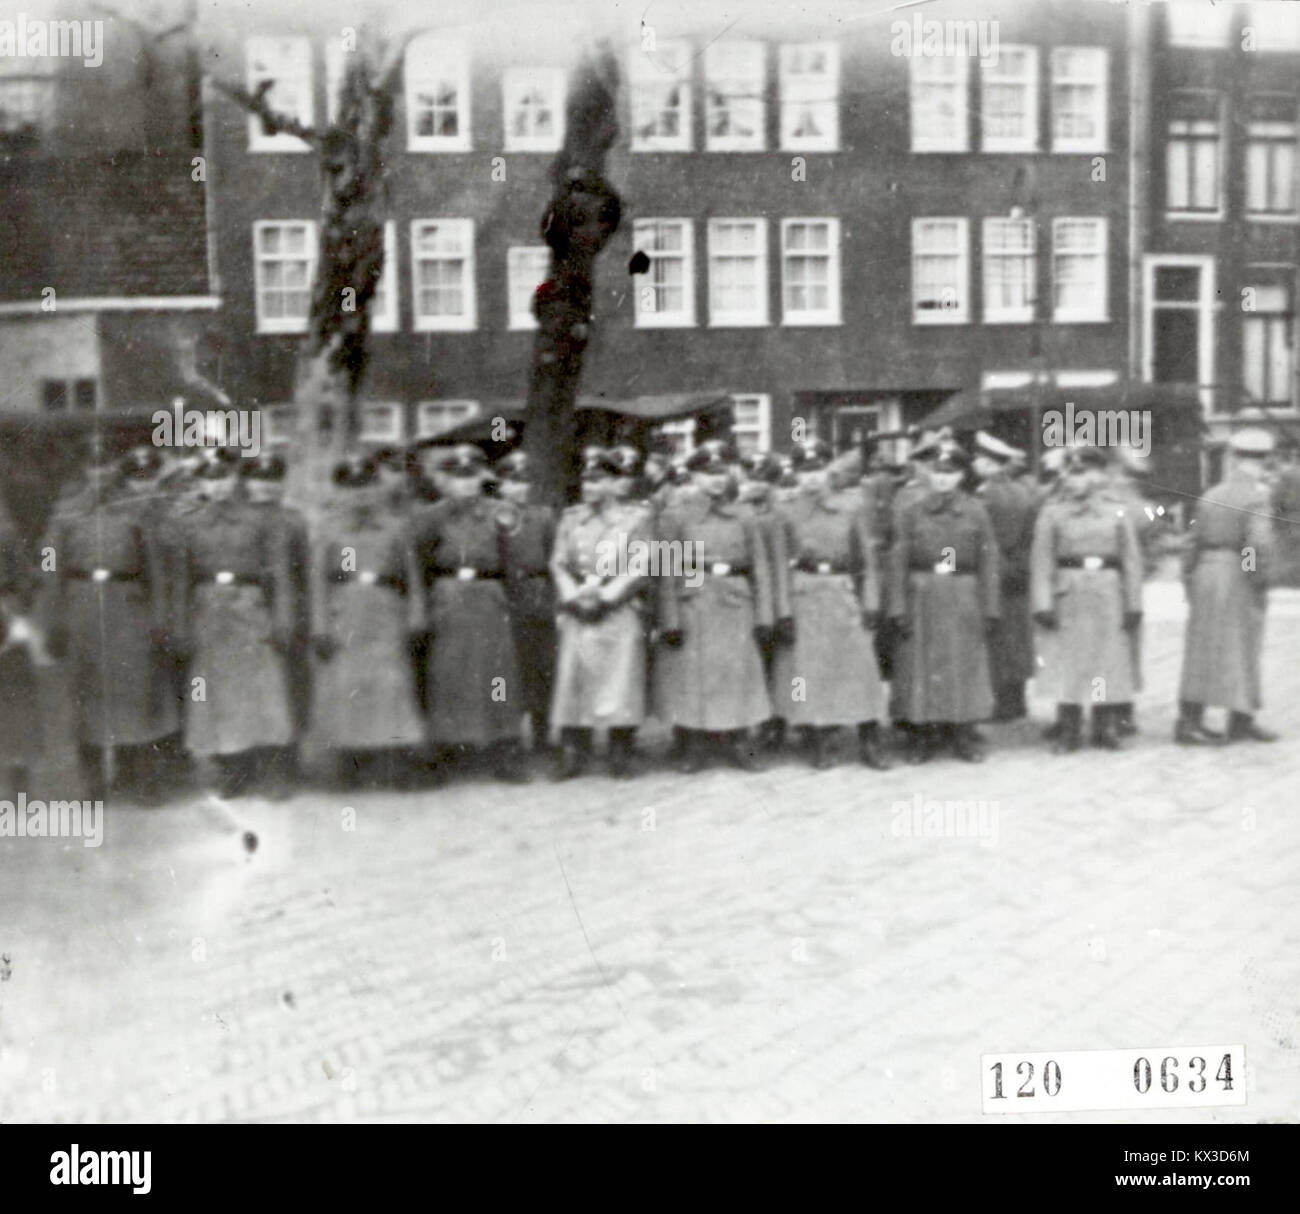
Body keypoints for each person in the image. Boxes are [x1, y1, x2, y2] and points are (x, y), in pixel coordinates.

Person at [42, 436, 181, 800]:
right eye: (93, 466)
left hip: (128, 606)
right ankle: (92, 784)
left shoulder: (135, 510)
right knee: (87, 696)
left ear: (115, 469)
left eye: (106, 466)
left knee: (136, 692)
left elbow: (156, 570)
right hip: (82, 607)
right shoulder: (65, 512)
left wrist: (161, 616)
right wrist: (52, 620)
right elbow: (50, 567)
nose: (100, 474)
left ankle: (140, 778)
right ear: (84, 470)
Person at [176, 447, 297, 798]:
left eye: (224, 477)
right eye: (209, 479)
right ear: (200, 482)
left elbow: (281, 574)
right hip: (209, 612)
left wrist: (284, 618)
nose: (218, 487)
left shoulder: (261, 520)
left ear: (236, 479)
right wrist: (181, 626)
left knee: (263, 693)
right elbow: (180, 579)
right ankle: (232, 772)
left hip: (251, 609)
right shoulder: (189, 524)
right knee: (216, 695)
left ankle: (272, 774)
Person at [405, 444, 529, 782]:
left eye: (472, 476)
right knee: (448, 674)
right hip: (448, 598)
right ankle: (444, 750)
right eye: (459, 477)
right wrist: (425, 606)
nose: (466, 484)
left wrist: (513, 603)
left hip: (489, 597)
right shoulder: (430, 517)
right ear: (445, 481)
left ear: (482, 478)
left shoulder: (502, 513)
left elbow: (512, 561)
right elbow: (417, 562)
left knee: (497, 677)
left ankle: (505, 746)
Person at [773, 438, 891, 769]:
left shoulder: (852, 507)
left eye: (817, 469)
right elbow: (781, 563)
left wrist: (871, 603)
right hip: (805, 593)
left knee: (861, 667)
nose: (811, 478)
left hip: (842, 591)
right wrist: (783, 610)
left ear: (829, 469)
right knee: (812, 671)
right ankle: (822, 739)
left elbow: (867, 559)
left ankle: (870, 738)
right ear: (795, 474)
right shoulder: (786, 511)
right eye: (804, 471)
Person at [655, 440, 772, 773]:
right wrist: (670, 618)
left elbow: (760, 566)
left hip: (736, 597)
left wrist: (764, 615)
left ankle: (738, 740)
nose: (717, 480)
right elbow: (668, 568)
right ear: (693, 476)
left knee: (736, 671)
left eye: (722, 472)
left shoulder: (744, 515)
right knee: (694, 673)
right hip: (694, 592)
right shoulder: (676, 517)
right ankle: (695, 743)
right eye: (708, 473)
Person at [311, 454, 426, 787]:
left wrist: (417, 616)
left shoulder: (396, 526)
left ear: (376, 488)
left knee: (391, 686)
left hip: (386, 611)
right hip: (345, 611)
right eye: (350, 488)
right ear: (339, 492)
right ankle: (350, 761)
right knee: (348, 686)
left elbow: (413, 577)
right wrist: (319, 626)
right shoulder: (328, 529)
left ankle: (397, 760)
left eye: (365, 486)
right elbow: (318, 581)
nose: (359, 495)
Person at [888, 441, 999, 763]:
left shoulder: (976, 511)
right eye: (937, 471)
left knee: (963, 664)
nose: (942, 479)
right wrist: (898, 606)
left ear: (962, 476)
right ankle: (924, 735)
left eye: (950, 473)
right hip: (922, 594)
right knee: (919, 665)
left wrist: (990, 607)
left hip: (963, 593)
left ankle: (963, 734)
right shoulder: (912, 512)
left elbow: (988, 561)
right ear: (928, 473)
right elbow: (898, 562)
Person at [549, 446, 656, 779]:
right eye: (586, 481)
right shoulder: (571, 518)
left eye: (597, 481)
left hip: (617, 606)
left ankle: (619, 747)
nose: (589, 488)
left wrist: (608, 597)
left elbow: (643, 563)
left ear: (614, 483)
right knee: (573, 677)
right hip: (578, 605)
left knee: (620, 678)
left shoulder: (636, 519)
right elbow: (558, 562)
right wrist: (572, 596)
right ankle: (573, 748)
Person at [1029, 446, 1144, 752]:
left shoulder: (1117, 510)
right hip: (1069, 594)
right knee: (1069, 662)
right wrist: (1042, 603)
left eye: (1081, 473)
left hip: (1108, 593)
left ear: (1098, 476)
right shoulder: (1052, 512)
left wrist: (1134, 603)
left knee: (1105, 661)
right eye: (1068, 473)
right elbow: (1042, 561)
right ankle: (1069, 729)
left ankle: (1103, 725)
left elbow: (1131, 559)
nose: (1072, 480)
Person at [1175, 428, 1279, 745]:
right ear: (1266, 460)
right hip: (1237, 574)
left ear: (1234, 457)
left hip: (1207, 572)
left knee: (1201, 649)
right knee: (1243, 647)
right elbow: (1255, 544)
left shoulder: (1211, 494)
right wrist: (1255, 578)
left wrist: (1190, 579)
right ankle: (1241, 718)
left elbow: (1190, 543)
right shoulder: (1257, 496)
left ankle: (1190, 720)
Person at [241, 451, 308, 794]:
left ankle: (283, 767)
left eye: (272, 481)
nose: (265, 488)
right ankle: (242, 767)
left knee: (287, 690)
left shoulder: (294, 521)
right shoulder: (236, 519)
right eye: (258, 480)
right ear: (247, 483)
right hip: (243, 612)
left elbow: (305, 570)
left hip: (288, 611)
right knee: (245, 691)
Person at [494, 449, 558, 754]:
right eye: (511, 481)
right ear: (500, 484)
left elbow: (555, 561)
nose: (518, 488)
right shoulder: (493, 517)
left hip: (537, 595)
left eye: (523, 481)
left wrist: (554, 602)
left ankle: (542, 737)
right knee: (508, 671)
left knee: (541, 668)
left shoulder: (543, 516)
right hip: (506, 597)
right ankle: (509, 740)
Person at [973, 431, 1038, 721]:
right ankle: (1018, 699)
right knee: (1017, 638)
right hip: (1019, 572)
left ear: (989, 464)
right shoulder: (1023, 491)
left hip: (994, 573)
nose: (975, 463)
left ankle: (1002, 704)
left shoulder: (985, 494)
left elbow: (983, 538)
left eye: (979, 458)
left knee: (996, 640)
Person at [734, 451, 790, 752]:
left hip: (771, 596)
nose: (751, 484)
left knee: (774, 663)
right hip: (741, 596)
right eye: (749, 477)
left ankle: (774, 725)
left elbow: (780, 563)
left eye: (760, 479)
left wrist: (780, 609)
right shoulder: (737, 512)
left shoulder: (779, 514)